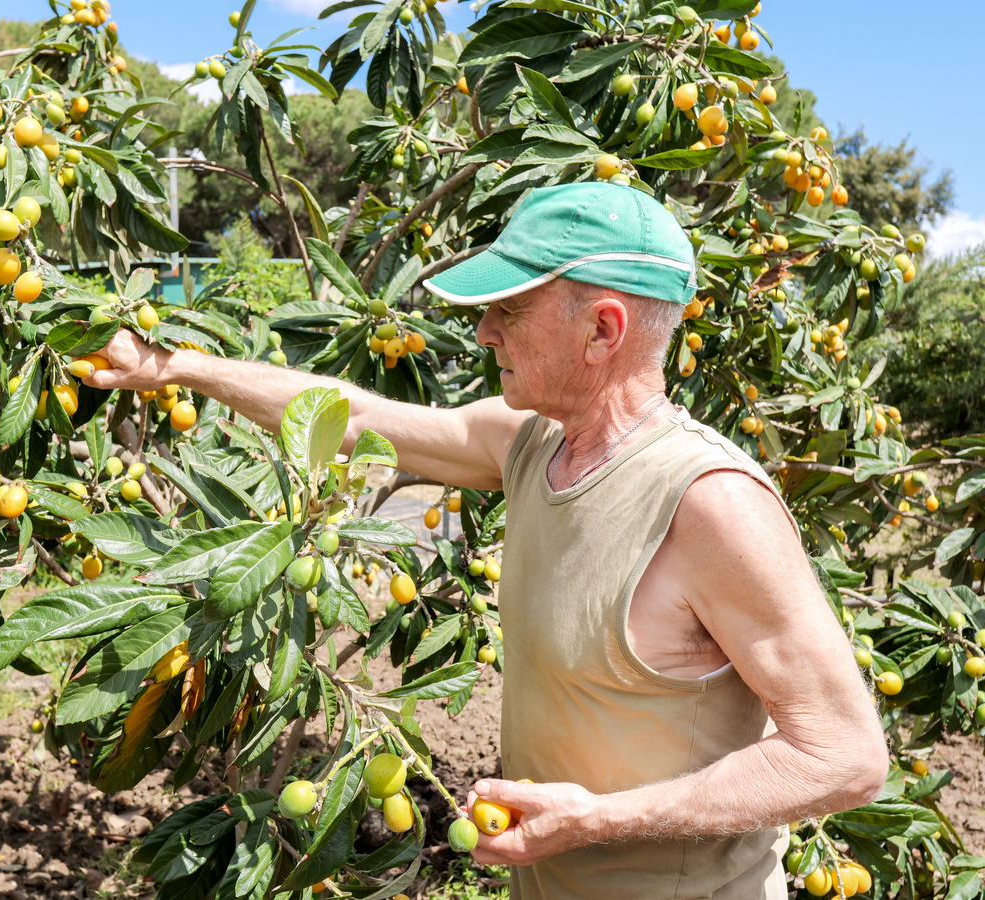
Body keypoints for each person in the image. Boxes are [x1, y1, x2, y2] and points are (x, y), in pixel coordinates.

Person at [84, 182, 888, 899]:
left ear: (602, 330)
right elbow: (352, 416)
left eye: (510, 309)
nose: (484, 333)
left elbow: (844, 757)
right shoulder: (534, 441)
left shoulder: (711, 505)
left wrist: (599, 819)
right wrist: (172, 366)